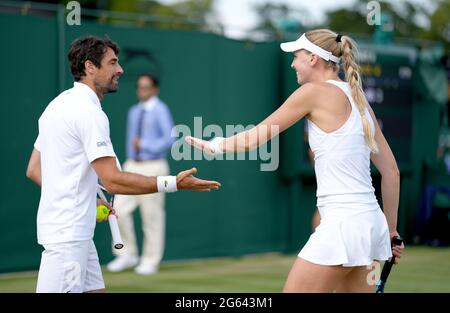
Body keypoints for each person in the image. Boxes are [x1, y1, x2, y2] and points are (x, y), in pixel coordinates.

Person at [186, 29, 404, 292]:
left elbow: (252, 139)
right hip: (371, 228)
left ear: (313, 58)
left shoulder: (312, 92)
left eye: (297, 56)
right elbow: (391, 171)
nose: (292, 63)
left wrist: (214, 145)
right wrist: (391, 232)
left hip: (342, 227)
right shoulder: (360, 101)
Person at [25, 36, 220, 293]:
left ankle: (144, 258)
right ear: (90, 67)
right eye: (113, 63)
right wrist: (174, 183)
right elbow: (112, 180)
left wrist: (85, 198)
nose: (120, 70)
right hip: (68, 238)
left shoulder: (56, 106)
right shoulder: (88, 112)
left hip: (75, 235)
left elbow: (34, 169)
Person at [106, 74, 174, 275]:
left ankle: (150, 260)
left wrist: (145, 145)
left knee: (151, 216)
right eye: (139, 87)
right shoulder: (134, 111)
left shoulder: (161, 110)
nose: (141, 90)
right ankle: (127, 254)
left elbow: (171, 138)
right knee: (118, 210)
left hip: (154, 166)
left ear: (155, 89)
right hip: (132, 165)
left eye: (146, 87)